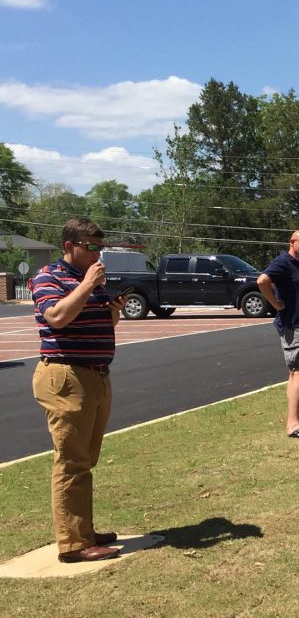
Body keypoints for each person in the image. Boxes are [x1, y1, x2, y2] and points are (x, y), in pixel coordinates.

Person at [30, 218, 131, 563]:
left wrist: (112, 310)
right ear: (70, 245)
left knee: (85, 460)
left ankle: (84, 530)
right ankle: (73, 544)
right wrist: (88, 285)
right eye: (90, 246)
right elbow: (56, 316)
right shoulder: (48, 277)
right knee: (71, 461)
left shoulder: (91, 280)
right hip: (66, 376)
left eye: (99, 246)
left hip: (97, 376)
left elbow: (104, 321)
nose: (96, 253)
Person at [257, 230, 299, 439]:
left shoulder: (296, 264)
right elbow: (262, 281)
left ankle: (295, 421)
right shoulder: (283, 261)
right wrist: (275, 303)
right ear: (292, 242)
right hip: (294, 326)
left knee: (297, 373)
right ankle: (292, 425)